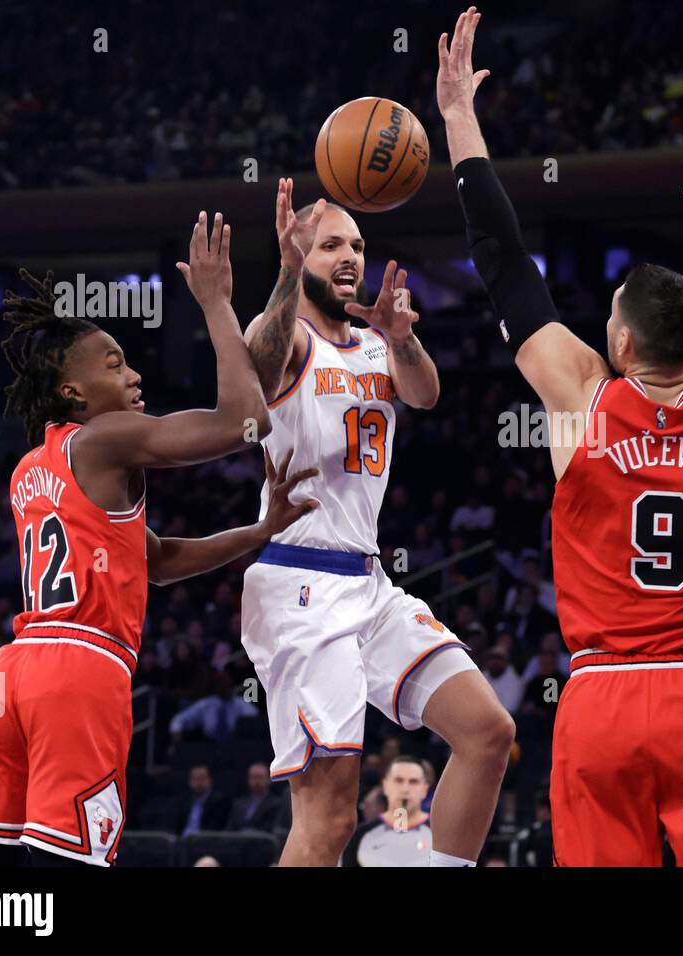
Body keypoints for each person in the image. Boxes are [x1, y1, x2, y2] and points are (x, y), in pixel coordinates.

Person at [437, 7, 683, 866]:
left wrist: (458, 119)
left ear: (620, 344)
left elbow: (505, 261)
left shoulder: (582, 396)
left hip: (604, 701)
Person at [0, 198, 316, 867]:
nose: (135, 375)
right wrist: (215, 303)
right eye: (115, 363)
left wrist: (261, 528)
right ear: (72, 390)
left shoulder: (32, 468)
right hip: (82, 674)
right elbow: (246, 421)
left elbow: (154, 561)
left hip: (14, 673)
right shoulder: (105, 438)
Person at [239, 177, 513, 867]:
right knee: (328, 819)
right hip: (300, 584)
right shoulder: (287, 340)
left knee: (488, 731)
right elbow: (253, 361)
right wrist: (280, 271)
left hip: (368, 581)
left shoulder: (369, 344)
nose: (350, 256)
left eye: (357, 244)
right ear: (300, 254)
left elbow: (424, 394)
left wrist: (401, 338)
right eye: (330, 244)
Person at [341, 756, 433, 867]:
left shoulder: (440, 837)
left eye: (413, 782)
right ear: (385, 785)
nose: (405, 789)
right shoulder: (360, 835)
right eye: (399, 781)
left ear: (424, 789)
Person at [227, 763, 284, 832]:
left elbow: (271, 829)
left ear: (269, 779)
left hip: (262, 841)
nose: (256, 782)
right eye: (253, 777)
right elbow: (229, 829)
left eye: (259, 777)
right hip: (237, 840)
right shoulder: (238, 803)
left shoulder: (276, 804)